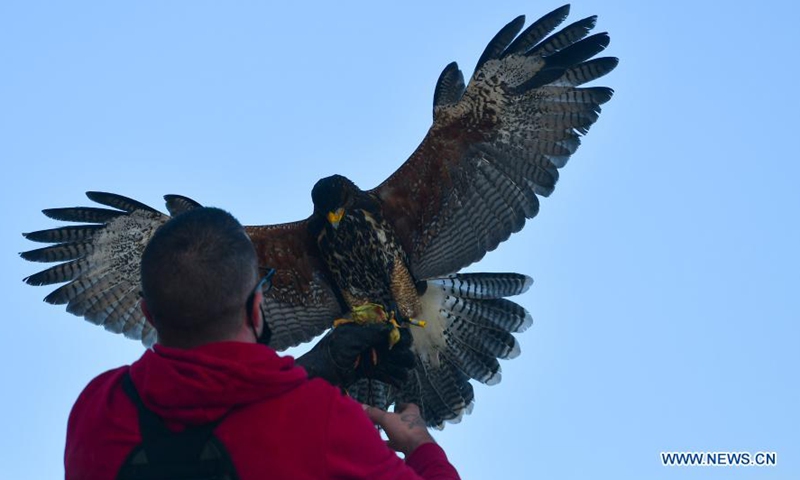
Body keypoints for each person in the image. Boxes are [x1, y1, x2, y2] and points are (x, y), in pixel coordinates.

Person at [64, 207, 460, 480]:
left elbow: (219, 421)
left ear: (148, 316)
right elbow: (260, 428)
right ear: (258, 308)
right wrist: (421, 446)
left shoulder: (97, 410)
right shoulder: (323, 424)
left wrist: (311, 372)